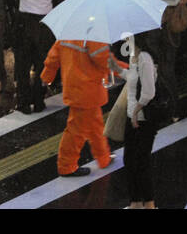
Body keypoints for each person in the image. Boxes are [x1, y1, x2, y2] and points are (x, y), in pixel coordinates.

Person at [41, 35, 125, 177]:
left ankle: (103, 157)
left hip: (75, 88)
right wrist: (129, 70)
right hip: (88, 91)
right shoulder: (93, 37)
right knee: (76, 131)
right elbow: (105, 61)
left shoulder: (67, 34)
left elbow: (53, 57)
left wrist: (46, 76)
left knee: (95, 125)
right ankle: (66, 166)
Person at [123, 31, 168, 208]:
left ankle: (149, 204)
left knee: (142, 162)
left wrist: (135, 112)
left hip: (144, 119)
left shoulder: (145, 58)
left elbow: (149, 92)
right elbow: (132, 79)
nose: (124, 38)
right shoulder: (133, 57)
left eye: (127, 35)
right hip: (132, 116)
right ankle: (135, 203)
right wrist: (117, 69)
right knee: (130, 160)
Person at [12, 0, 60, 114]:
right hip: (44, 23)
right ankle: (39, 99)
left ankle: (23, 102)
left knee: (22, 64)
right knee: (42, 63)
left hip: (23, 22)